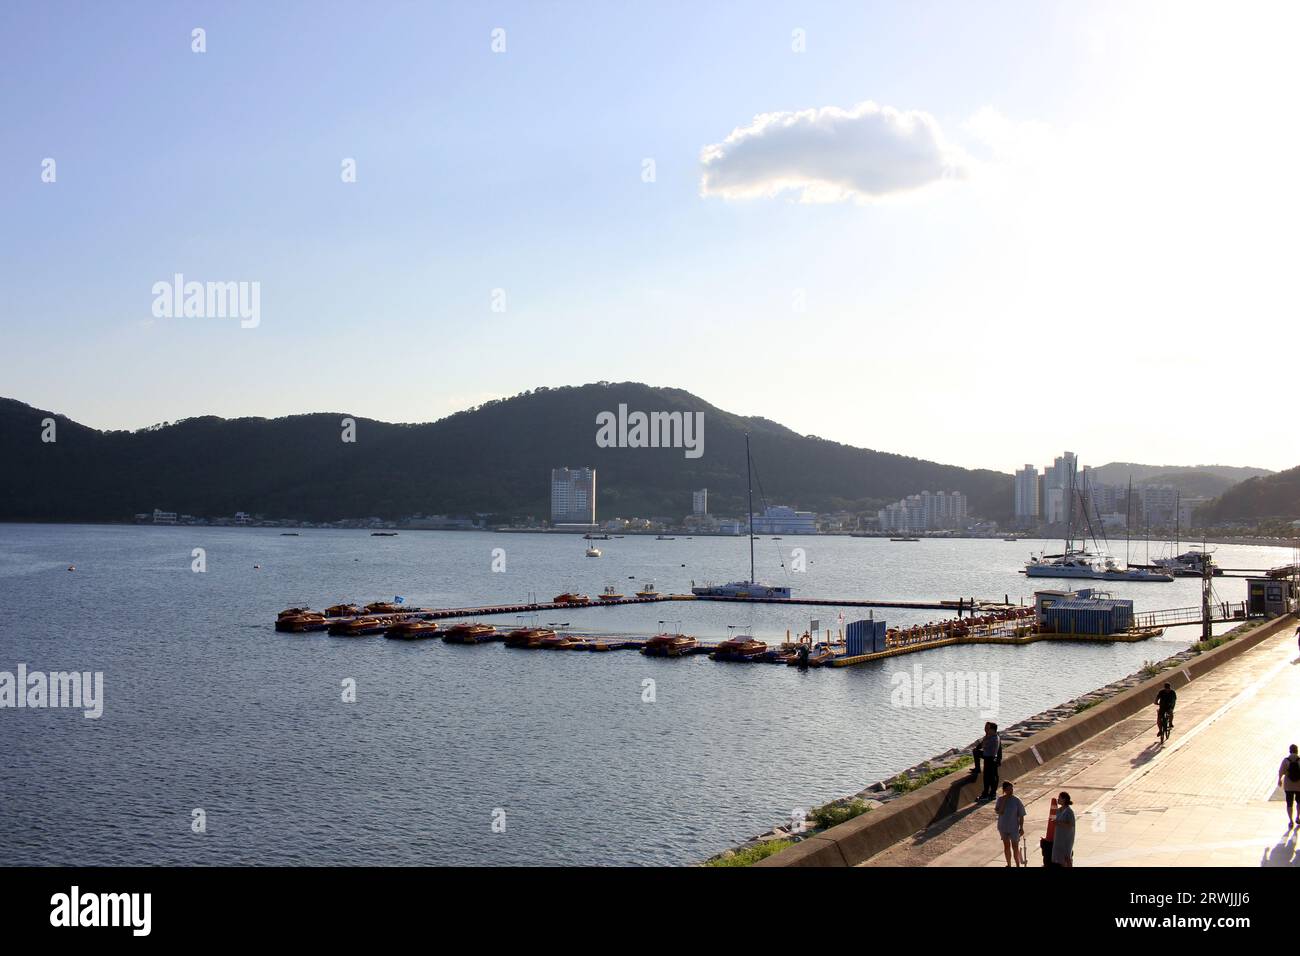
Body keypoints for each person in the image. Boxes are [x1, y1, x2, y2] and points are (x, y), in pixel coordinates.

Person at [995, 781, 1026, 867]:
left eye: (1011, 788)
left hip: (1014, 828)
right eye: (1008, 789)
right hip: (1003, 827)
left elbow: (1021, 815)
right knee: (1006, 846)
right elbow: (999, 812)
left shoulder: (1017, 800)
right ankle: (1009, 864)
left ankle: (1017, 865)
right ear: (1004, 790)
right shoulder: (1000, 800)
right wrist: (1004, 800)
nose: (1011, 791)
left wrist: (1021, 827)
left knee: (1015, 847)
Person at [1051, 792, 1076, 867]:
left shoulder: (1069, 812)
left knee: (1067, 857)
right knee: (1060, 858)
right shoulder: (1058, 810)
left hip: (1067, 838)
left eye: (1060, 798)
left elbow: (1070, 825)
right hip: (1059, 837)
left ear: (1064, 799)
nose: (1058, 799)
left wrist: (1058, 823)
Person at [1279, 744, 1300, 828]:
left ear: (1290, 750)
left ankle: (1290, 821)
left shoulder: (1286, 760)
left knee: (1289, 803)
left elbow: (1281, 771)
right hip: (1299, 785)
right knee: (1299, 802)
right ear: (1297, 750)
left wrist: (1279, 780)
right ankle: (1298, 817)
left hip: (1288, 785)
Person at [979, 723, 1002, 800]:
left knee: (988, 777)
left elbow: (983, 745)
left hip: (990, 759)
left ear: (992, 729)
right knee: (992, 777)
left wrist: (986, 736)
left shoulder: (993, 738)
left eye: (988, 728)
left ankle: (987, 794)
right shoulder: (996, 737)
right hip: (992, 759)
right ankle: (991, 794)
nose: (986, 730)